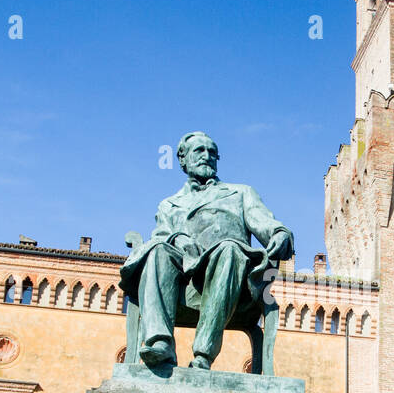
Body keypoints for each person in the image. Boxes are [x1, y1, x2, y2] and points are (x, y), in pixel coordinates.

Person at [119, 132, 293, 370]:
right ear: (182, 159)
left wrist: (280, 234)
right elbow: (160, 236)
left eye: (212, 152)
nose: (206, 156)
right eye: (199, 151)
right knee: (158, 250)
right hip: (184, 281)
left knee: (230, 248)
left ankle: (203, 354)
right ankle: (160, 343)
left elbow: (267, 224)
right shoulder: (169, 204)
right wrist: (177, 238)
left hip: (233, 281)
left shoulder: (240, 193)